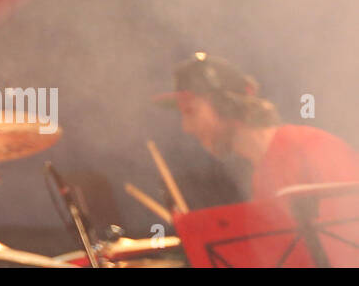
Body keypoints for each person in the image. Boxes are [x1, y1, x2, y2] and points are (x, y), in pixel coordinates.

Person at [154, 52, 359, 202]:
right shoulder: (261, 175)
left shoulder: (311, 148)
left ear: (227, 106)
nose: (186, 127)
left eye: (191, 112)